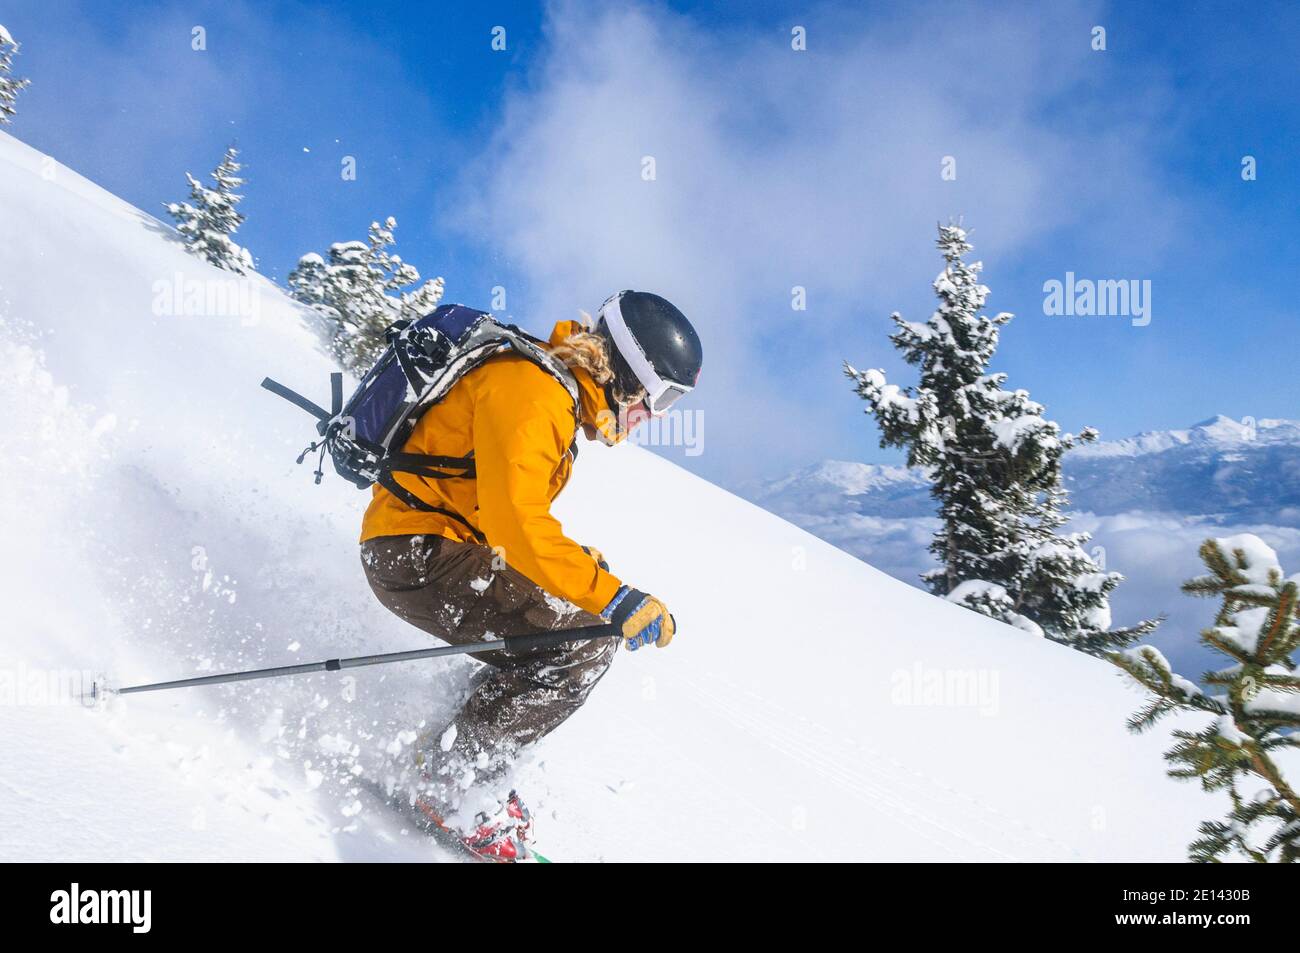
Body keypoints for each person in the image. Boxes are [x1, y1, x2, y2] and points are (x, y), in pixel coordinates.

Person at [359, 290, 702, 860]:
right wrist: (614, 600)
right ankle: (452, 784)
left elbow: (502, 516)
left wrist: (593, 575)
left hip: (430, 546)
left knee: (570, 620)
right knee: (581, 643)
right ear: (627, 373)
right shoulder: (533, 389)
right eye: (662, 396)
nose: (656, 416)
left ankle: (451, 758)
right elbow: (514, 525)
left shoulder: (548, 391)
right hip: (416, 553)